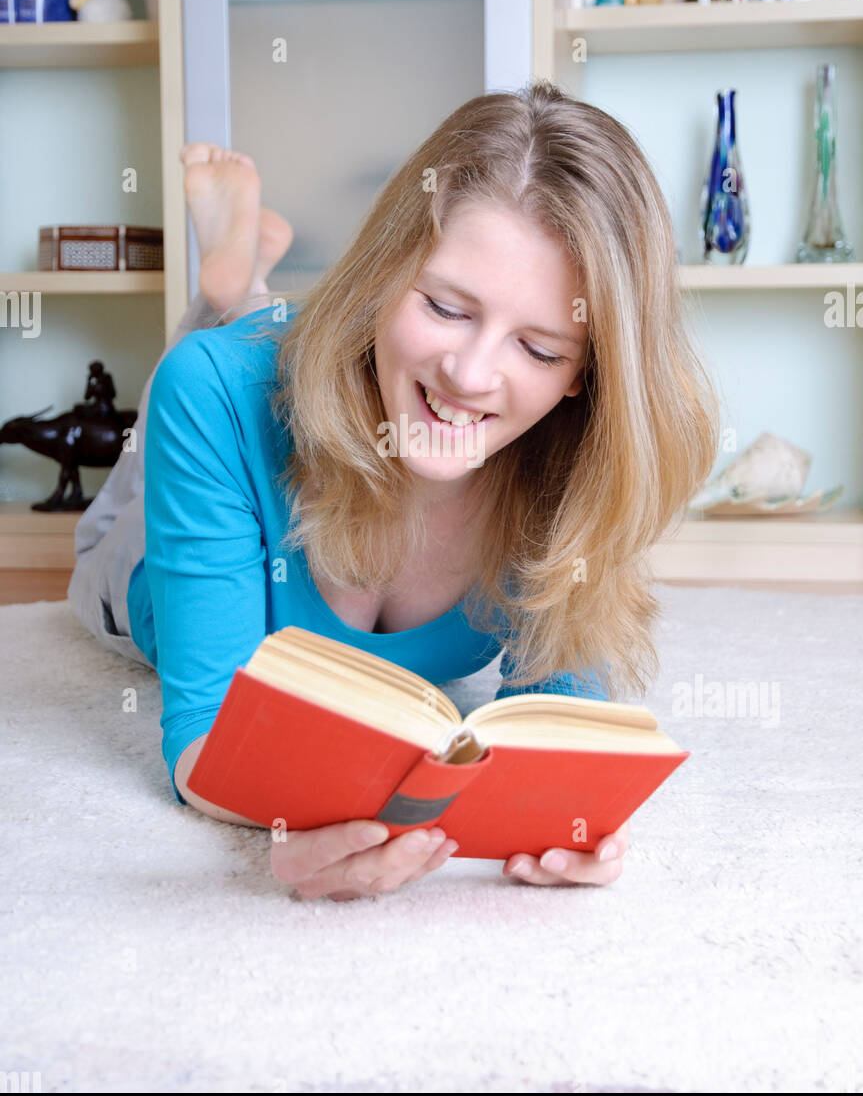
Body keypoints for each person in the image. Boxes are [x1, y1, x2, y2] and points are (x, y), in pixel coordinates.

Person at [67, 80, 720, 902]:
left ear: (586, 376)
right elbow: (202, 743)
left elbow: (558, 719)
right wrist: (300, 819)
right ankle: (229, 298)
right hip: (154, 539)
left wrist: (570, 819)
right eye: (446, 307)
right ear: (384, 270)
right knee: (180, 414)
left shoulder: (574, 466)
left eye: (540, 350)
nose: (471, 375)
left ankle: (245, 285)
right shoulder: (216, 397)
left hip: (317, 369)